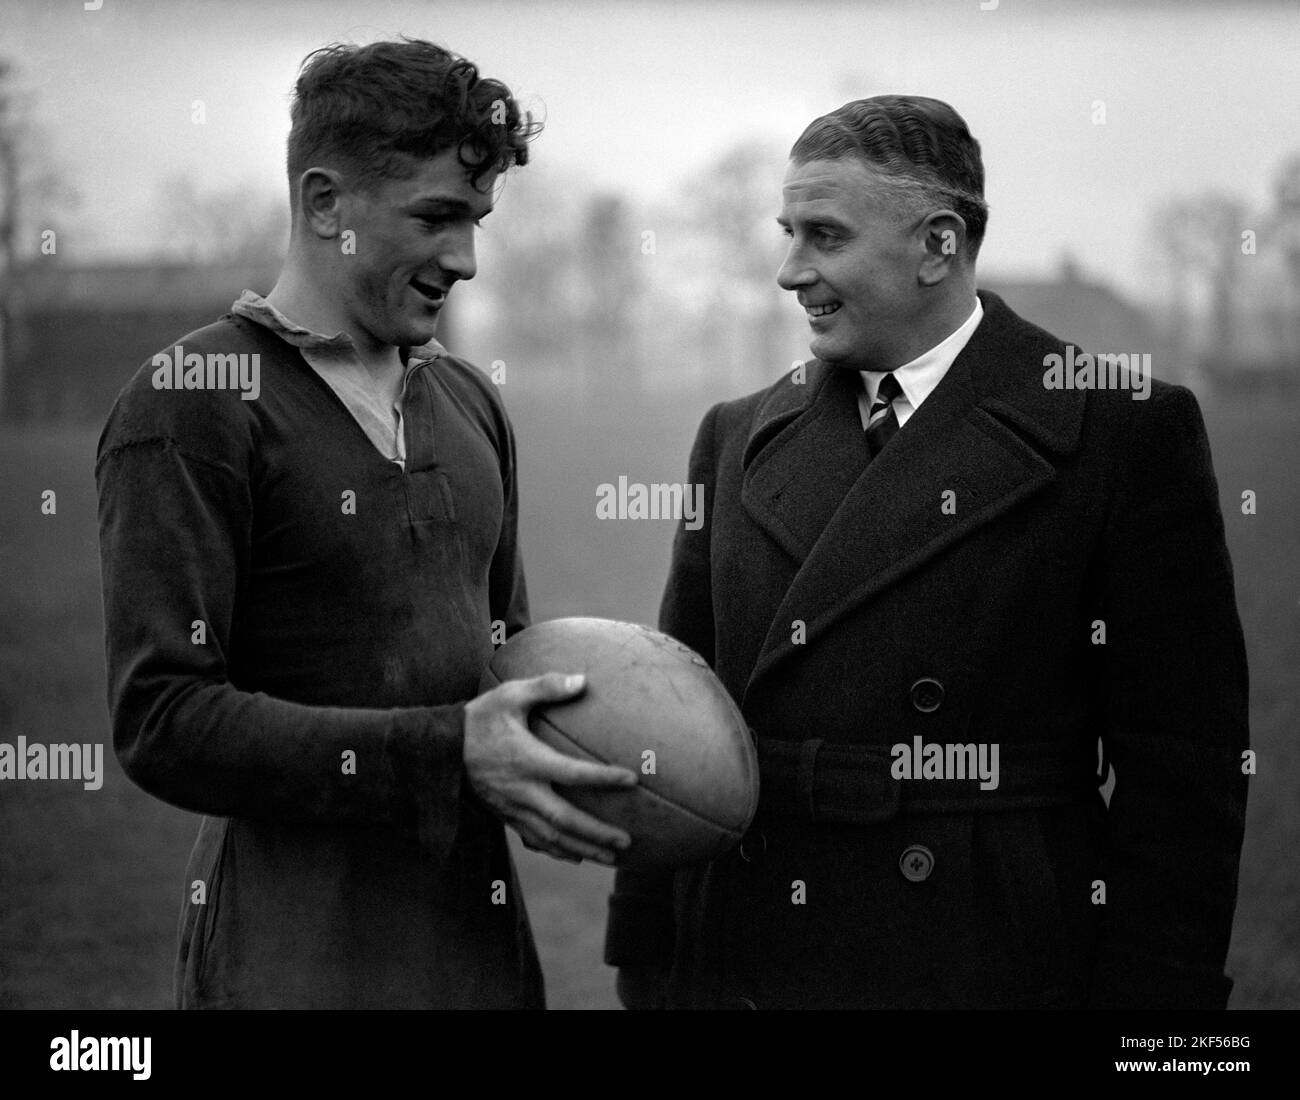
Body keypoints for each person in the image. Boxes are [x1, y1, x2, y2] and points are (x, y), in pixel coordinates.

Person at [606, 95, 1249, 1010]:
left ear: (937, 245)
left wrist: (1160, 1021)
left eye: (823, 236)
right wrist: (649, 956)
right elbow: (672, 712)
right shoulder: (736, 434)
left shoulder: (1122, 433)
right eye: (788, 233)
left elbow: (1183, 773)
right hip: (744, 953)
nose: (789, 271)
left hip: (990, 955)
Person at [95, 38, 636, 1010]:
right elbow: (163, 720)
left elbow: (502, 665)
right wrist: (445, 749)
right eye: (435, 216)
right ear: (324, 203)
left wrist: (601, 744)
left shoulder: (472, 402)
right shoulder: (194, 402)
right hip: (291, 962)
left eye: (474, 221)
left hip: (481, 959)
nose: (465, 260)